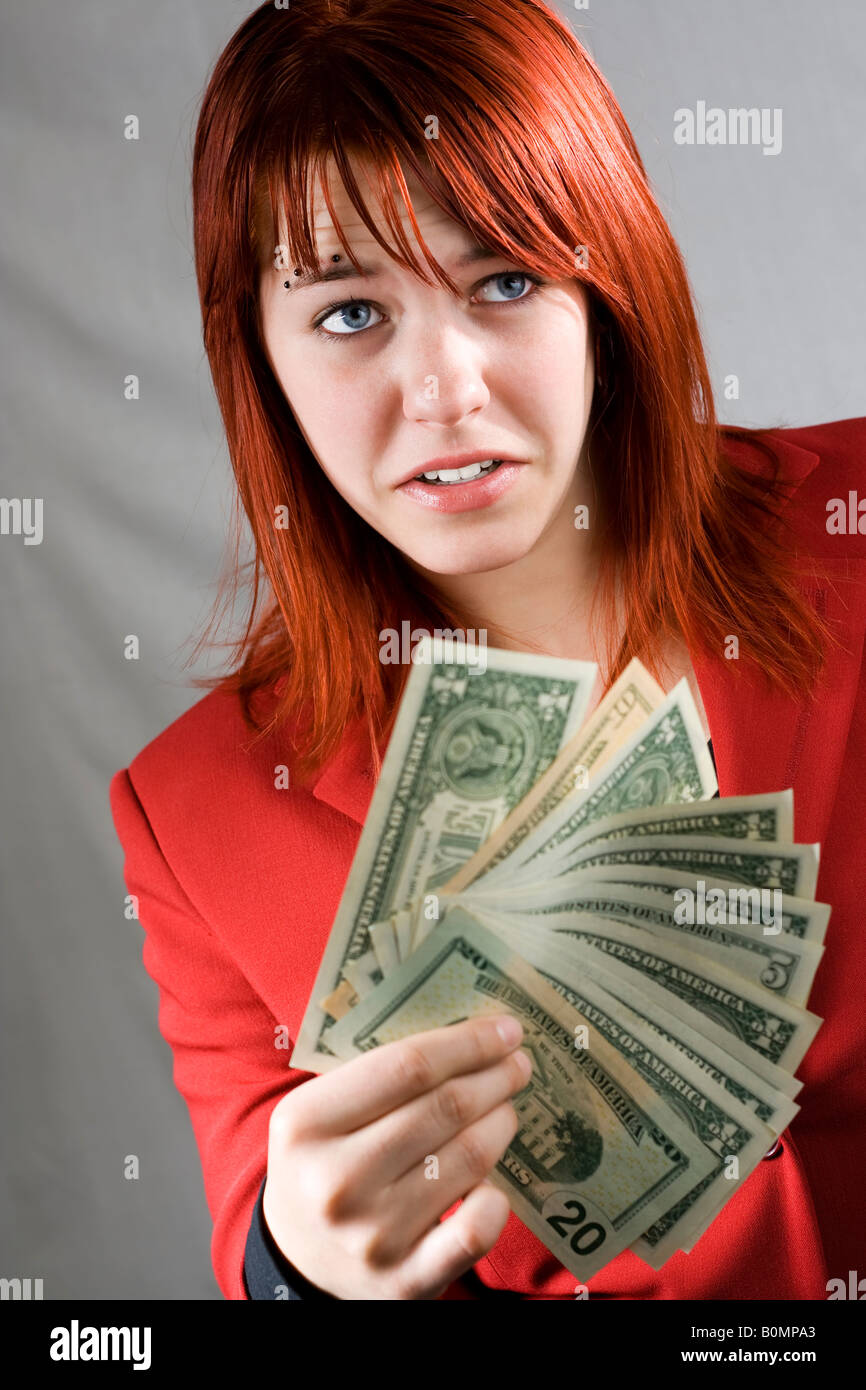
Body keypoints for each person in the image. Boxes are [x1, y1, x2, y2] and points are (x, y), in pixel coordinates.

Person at [109, 0, 866, 1300]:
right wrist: (299, 1264)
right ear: (262, 359)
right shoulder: (198, 818)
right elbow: (263, 1242)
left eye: (503, 280)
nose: (443, 385)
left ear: (604, 285)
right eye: (349, 314)